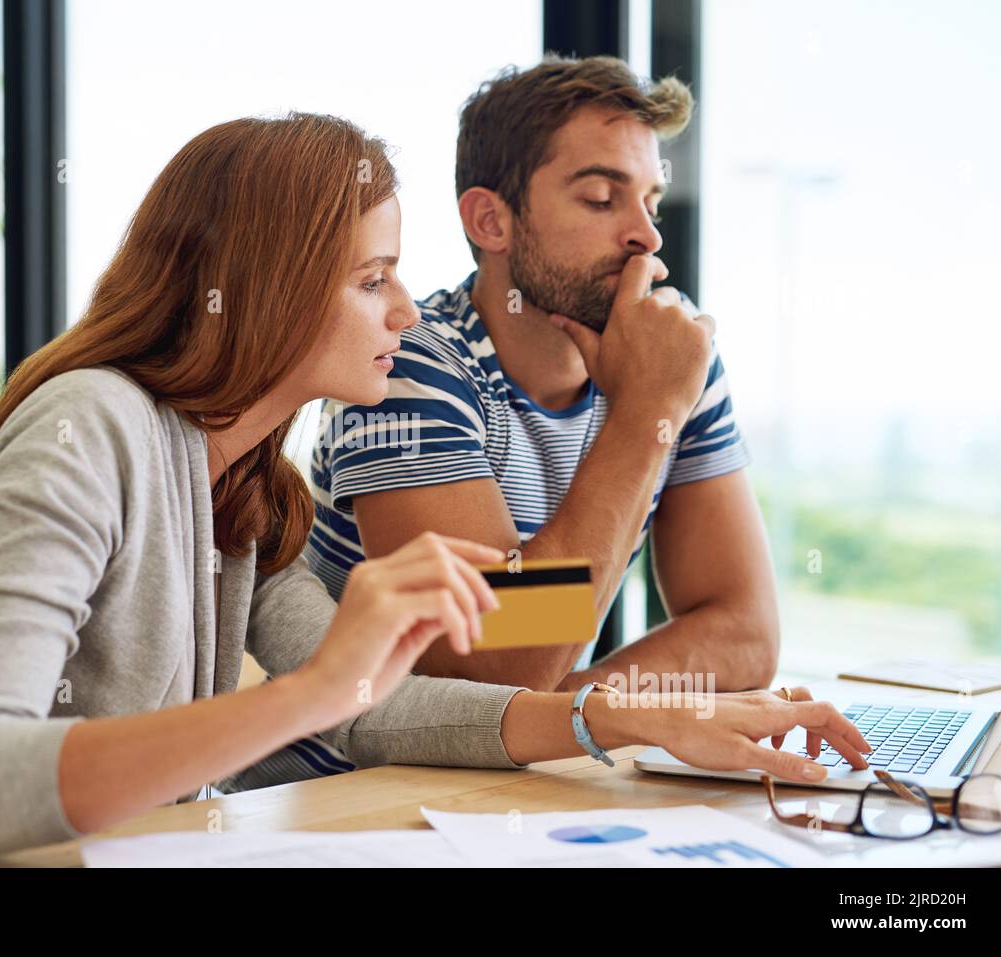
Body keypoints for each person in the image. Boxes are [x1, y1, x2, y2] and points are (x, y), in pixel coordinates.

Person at [0, 112, 868, 868]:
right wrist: (646, 422)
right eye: (372, 280)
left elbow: (381, 703)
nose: (406, 312)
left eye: (651, 196)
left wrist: (624, 715)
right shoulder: (95, 429)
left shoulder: (248, 487)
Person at [246, 56, 787, 789]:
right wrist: (646, 414)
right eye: (601, 198)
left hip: (516, 776)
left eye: (651, 202)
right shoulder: (407, 364)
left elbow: (745, 632)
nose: (646, 237)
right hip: (354, 797)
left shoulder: (673, 359)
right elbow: (503, 660)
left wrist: (586, 712)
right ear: (491, 220)